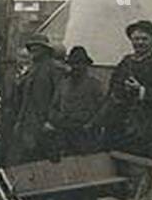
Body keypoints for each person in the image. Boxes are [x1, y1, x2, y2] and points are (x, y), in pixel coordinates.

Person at [102, 19, 152, 160]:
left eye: (144, 39)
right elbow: (111, 94)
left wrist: (142, 92)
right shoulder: (124, 64)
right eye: (136, 39)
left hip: (145, 136)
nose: (139, 43)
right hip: (117, 133)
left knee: (140, 175)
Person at [8, 32, 59, 163]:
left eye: (38, 46)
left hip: (43, 120)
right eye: (32, 47)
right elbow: (23, 96)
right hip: (28, 119)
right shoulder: (31, 69)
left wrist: (51, 120)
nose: (34, 49)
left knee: (41, 158)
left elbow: (59, 96)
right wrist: (19, 121)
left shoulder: (53, 68)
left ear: (46, 49)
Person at [48, 45, 105, 155]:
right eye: (73, 63)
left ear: (86, 65)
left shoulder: (95, 85)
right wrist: (56, 119)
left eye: (80, 63)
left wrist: (91, 124)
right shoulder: (63, 84)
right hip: (64, 134)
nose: (76, 67)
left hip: (85, 136)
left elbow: (102, 109)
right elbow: (53, 106)